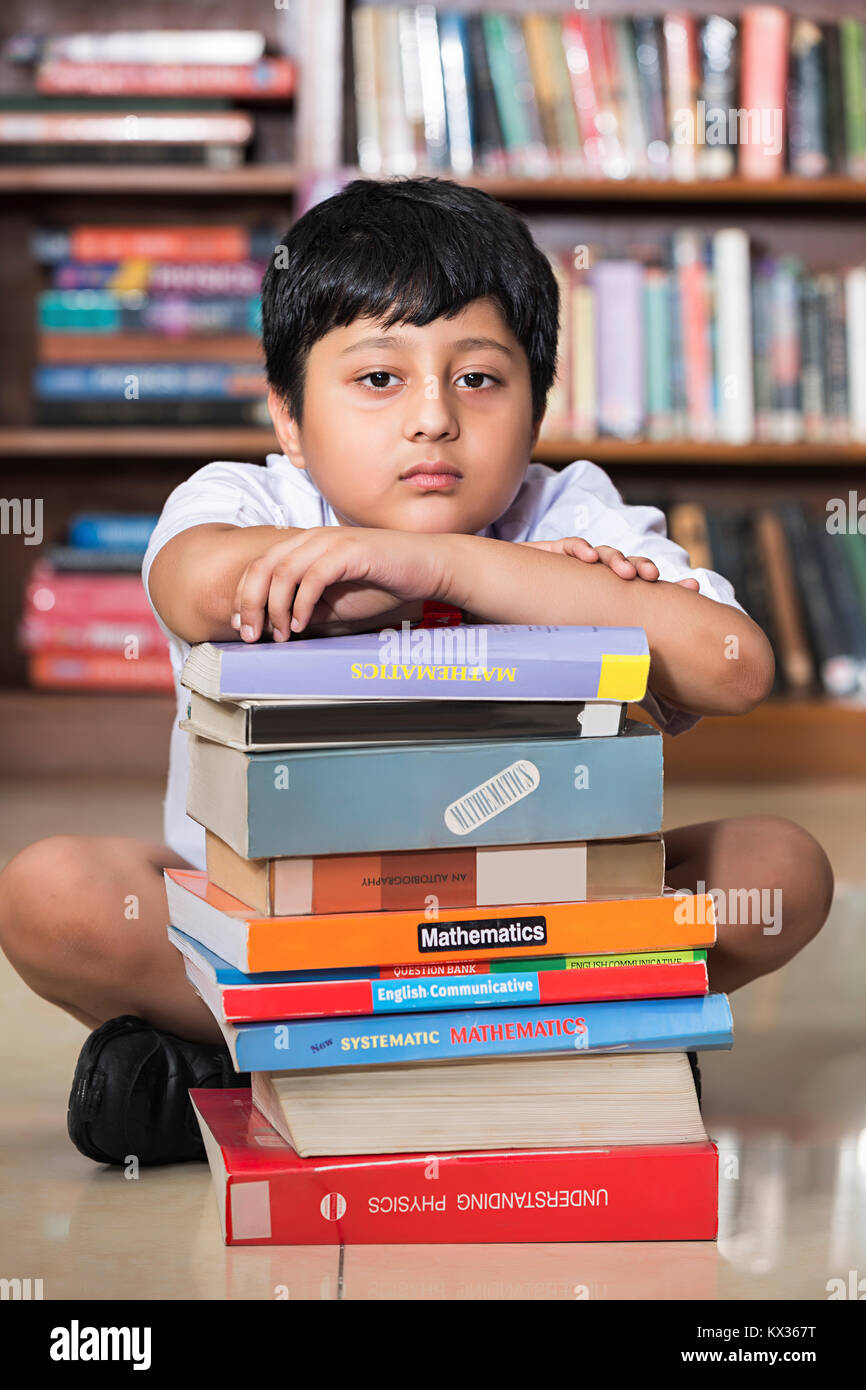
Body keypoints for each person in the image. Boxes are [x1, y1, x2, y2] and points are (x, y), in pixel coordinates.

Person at [0, 177, 833, 1165]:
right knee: (53, 891)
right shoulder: (249, 498)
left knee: (776, 871)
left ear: (535, 409)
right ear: (288, 418)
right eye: (378, 379)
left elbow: (732, 666)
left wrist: (452, 564)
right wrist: (486, 583)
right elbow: (200, 587)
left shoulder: (568, 509)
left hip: (532, 932)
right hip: (280, 932)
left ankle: (281, 1076)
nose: (432, 418)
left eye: (477, 378)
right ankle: (548, 1060)